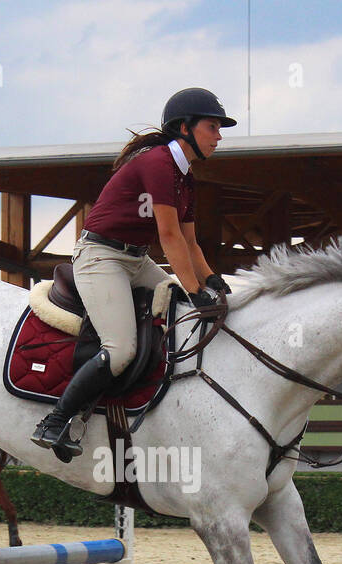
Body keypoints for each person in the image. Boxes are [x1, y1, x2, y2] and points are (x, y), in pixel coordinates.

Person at [31, 87, 236, 462]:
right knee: (120, 348)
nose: (219, 136)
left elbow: (191, 242)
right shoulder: (158, 163)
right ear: (185, 128)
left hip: (135, 260)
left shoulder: (185, 176)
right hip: (100, 256)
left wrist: (211, 281)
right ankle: (56, 420)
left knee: (180, 309)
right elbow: (169, 235)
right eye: (213, 127)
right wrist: (193, 288)